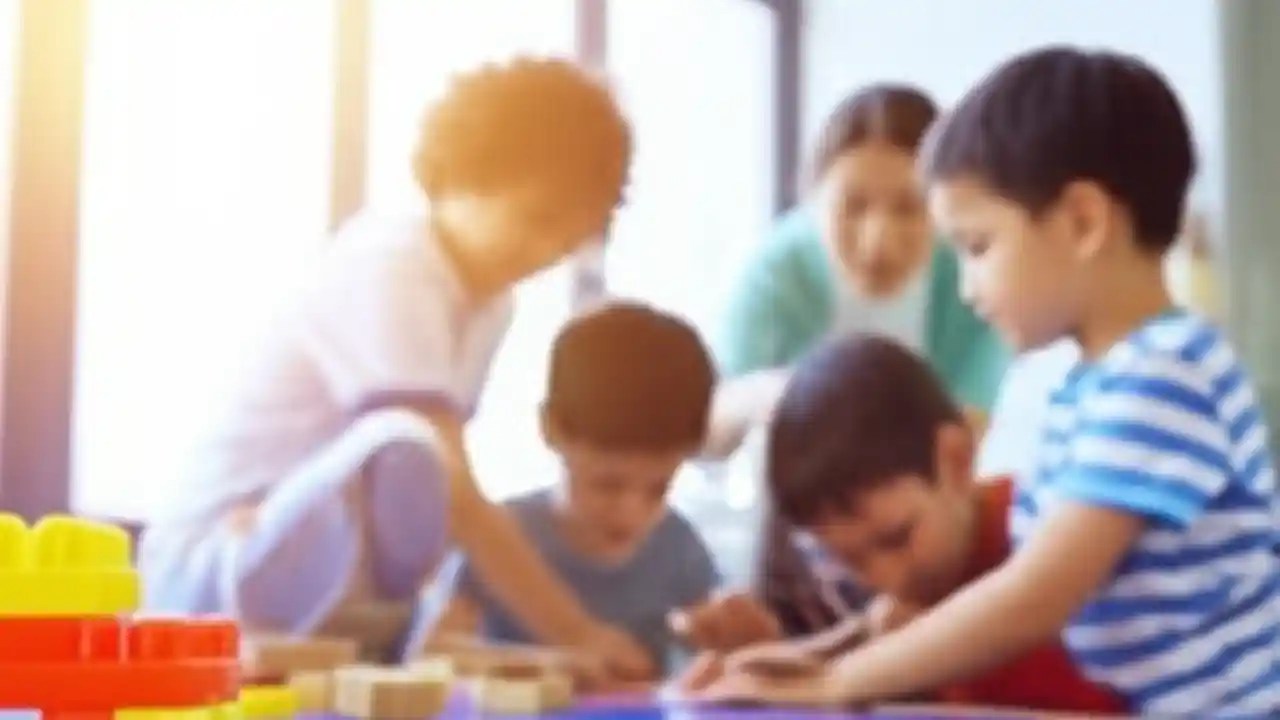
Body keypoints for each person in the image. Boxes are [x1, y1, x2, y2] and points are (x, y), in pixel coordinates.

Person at [701, 47, 1280, 715]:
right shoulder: (1095, 386)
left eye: (977, 247)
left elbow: (1035, 596)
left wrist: (838, 683)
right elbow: (1001, 574)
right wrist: (823, 653)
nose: (969, 290)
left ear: (1083, 222)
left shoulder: (1165, 374)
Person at [138, 58, 652, 678]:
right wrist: (574, 628)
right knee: (410, 444)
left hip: (311, 576)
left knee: (421, 475)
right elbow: (449, 483)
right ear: (462, 178)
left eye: (568, 243)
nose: (543, 254)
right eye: (536, 221)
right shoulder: (393, 262)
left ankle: (385, 644)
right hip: (208, 572)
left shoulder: (489, 304)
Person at [684, 335, 1127, 713]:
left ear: (955, 460)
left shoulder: (1058, 534)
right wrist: (787, 660)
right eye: (851, 561)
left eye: (898, 538)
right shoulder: (903, 613)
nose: (888, 579)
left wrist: (870, 669)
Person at [420, 302, 731, 677]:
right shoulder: (501, 541)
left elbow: (720, 663)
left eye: (659, 489)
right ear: (551, 428)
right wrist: (547, 665)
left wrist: (736, 639)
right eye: (606, 485)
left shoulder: (678, 548)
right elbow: (428, 656)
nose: (630, 513)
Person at [709, 84, 1008, 459]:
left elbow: (964, 438)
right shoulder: (778, 269)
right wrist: (763, 395)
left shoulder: (972, 280)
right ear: (813, 200)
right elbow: (709, 430)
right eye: (853, 207)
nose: (878, 240)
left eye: (908, 208)